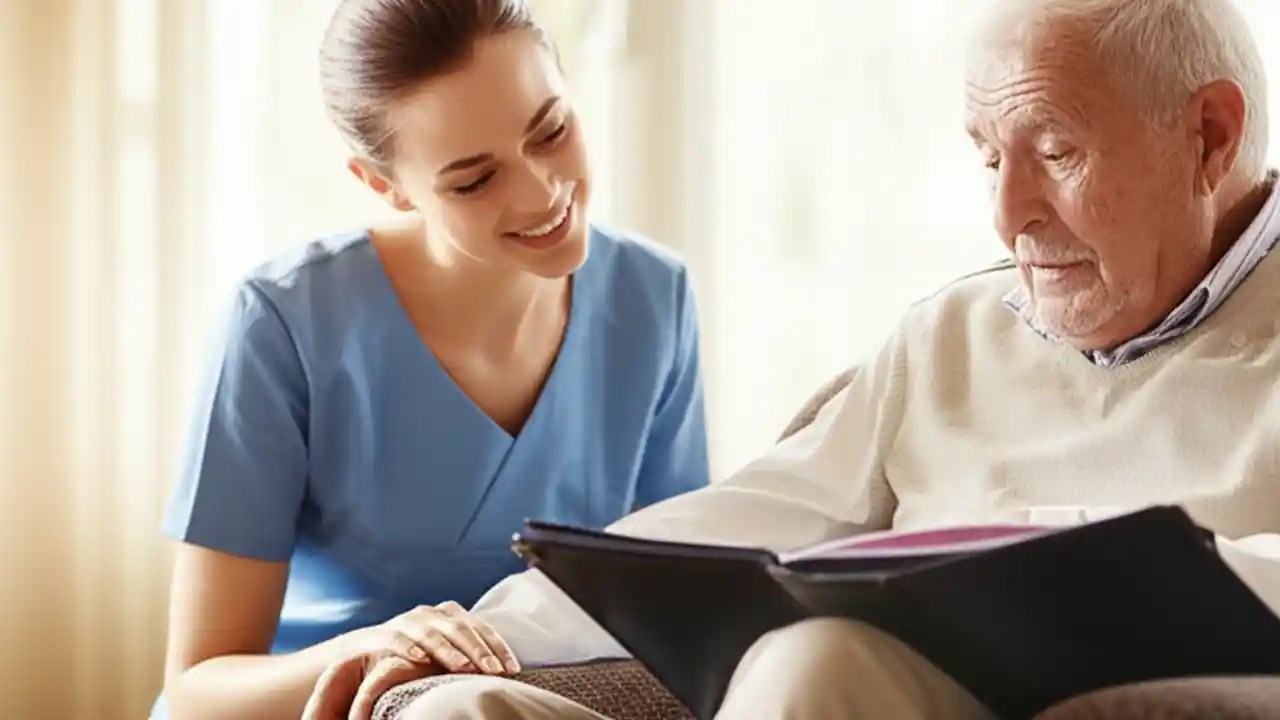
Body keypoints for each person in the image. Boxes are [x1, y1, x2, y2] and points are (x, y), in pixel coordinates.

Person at [319, 0, 1280, 718]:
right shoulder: (951, 336)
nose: (1007, 216)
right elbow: (734, 528)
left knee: (815, 660)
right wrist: (476, 637)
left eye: (1058, 152)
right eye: (990, 157)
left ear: (1209, 136)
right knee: (459, 712)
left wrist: (1086, 558)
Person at [153, 1, 711, 718]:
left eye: (553, 131)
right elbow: (200, 689)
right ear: (385, 185)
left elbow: (679, 604)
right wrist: (376, 648)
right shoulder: (285, 321)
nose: (543, 193)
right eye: (475, 180)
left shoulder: (652, 297)